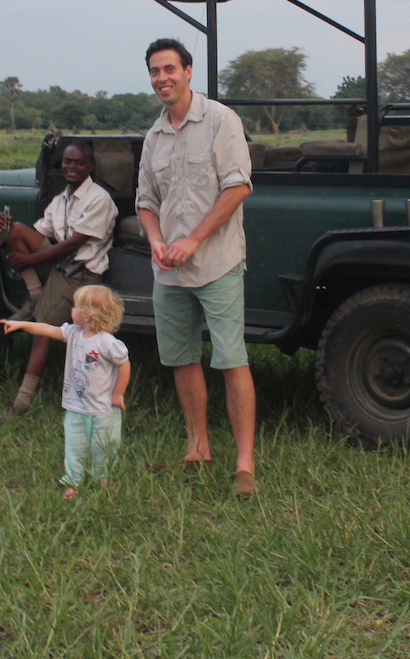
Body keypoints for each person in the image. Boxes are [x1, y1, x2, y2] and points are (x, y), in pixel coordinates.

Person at [135, 37, 257, 496]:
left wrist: (194, 238)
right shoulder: (154, 136)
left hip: (216, 261)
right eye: (153, 71)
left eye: (169, 69)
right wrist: (156, 240)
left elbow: (238, 187)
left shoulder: (221, 120)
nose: (161, 78)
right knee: (182, 358)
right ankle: (197, 446)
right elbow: (145, 200)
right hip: (168, 268)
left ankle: (244, 465)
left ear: (188, 71)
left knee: (231, 359)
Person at [0, 141, 117, 417]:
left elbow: (73, 244)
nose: (71, 167)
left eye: (78, 163)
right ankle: (36, 294)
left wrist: (29, 261)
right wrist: (4, 228)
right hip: (60, 266)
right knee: (17, 230)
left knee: (41, 330)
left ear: (90, 167)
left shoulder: (99, 199)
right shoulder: (61, 200)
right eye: (67, 162)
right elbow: (39, 233)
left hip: (81, 275)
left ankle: (21, 404)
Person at [1, 285, 130, 499]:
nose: (72, 309)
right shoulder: (73, 333)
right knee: (75, 445)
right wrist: (21, 324)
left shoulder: (108, 343)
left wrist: (118, 393)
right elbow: (48, 330)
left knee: (105, 445)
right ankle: (74, 481)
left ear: (88, 315)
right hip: (76, 407)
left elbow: (124, 365)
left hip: (103, 410)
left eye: (76, 306)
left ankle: (104, 478)